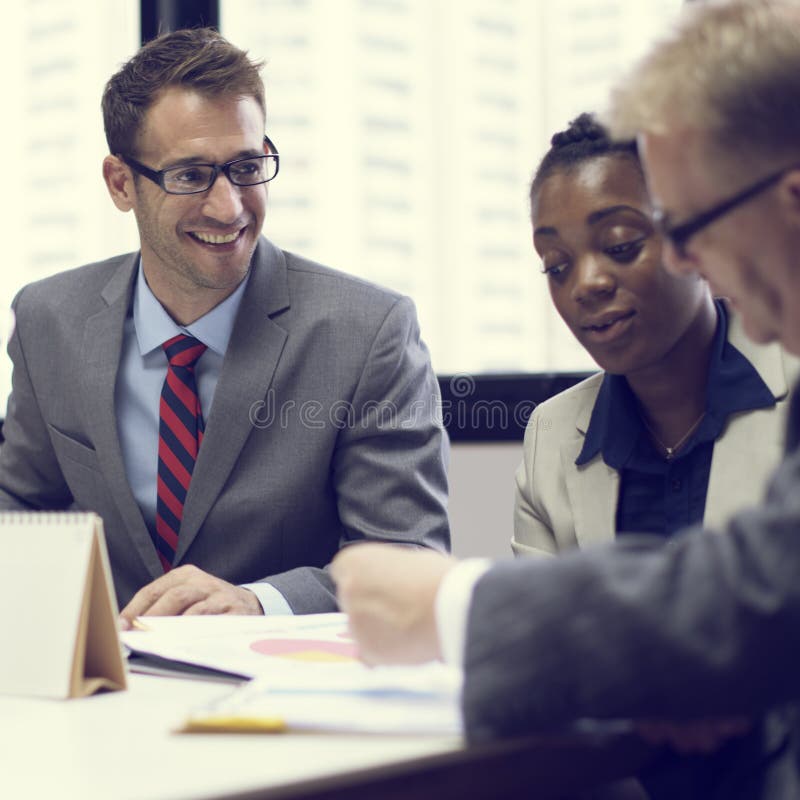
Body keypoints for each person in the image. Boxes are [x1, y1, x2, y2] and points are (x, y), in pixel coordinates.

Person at [333, 2, 800, 796]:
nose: (686, 258)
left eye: (638, 241)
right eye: (555, 263)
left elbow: (762, 595)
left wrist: (453, 606)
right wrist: (669, 675)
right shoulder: (556, 435)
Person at [0, 27, 449, 622]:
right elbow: (21, 509)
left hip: (281, 688)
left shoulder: (370, 332)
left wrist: (258, 602)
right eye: (190, 175)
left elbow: (407, 555)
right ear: (120, 184)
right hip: (105, 687)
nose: (229, 206)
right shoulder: (48, 318)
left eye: (246, 166)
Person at [515, 113, 795, 557]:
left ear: (693, 238)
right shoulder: (549, 437)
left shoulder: (791, 377)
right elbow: (536, 623)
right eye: (557, 265)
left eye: (620, 245)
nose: (586, 283)